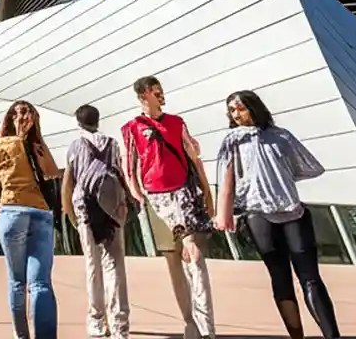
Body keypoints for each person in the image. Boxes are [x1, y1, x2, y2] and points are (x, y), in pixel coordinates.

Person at [213, 89, 340, 339]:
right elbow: (225, 181)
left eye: (240, 108)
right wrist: (223, 214)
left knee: (311, 278)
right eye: (231, 110)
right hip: (258, 215)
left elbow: (306, 166)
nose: (236, 114)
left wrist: (276, 179)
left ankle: (332, 335)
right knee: (280, 278)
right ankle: (296, 336)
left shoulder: (281, 136)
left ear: (254, 107)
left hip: (294, 212)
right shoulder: (232, 141)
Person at [121, 76, 217, 339]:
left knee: (194, 255)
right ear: (143, 96)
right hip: (158, 198)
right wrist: (138, 195)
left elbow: (193, 154)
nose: (162, 95)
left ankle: (206, 328)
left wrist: (206, 189)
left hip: (184, 192)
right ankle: (191, 323)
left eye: (162, 91)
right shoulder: (132, 127)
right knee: (176, 258)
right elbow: (129, 164)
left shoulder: (176, 121)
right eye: (156, 92)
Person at [0, 100, 61, 338]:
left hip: (11, 212)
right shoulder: (35, 144)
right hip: (40, 211)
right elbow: (52, 172)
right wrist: (30, 140)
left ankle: (21, 336)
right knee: (40, 282)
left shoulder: (1, 143)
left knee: (17, 281)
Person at [61, 104, 131, 339]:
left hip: (86, 209)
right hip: (112, 209)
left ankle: (96, 320)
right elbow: (120, 173)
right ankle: (120, 324)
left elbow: (68, 183)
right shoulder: (112, 144)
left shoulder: (75, 145)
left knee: (93, 265)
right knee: (116, 265)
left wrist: (70, 214)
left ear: (78, 122)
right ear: (98, 120)